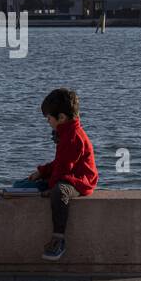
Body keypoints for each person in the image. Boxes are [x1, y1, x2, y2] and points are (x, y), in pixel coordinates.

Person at [25, 88, 98, 262]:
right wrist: (41, 172)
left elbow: (64, 168)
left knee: (59, 191)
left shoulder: (73, 137)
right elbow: (59, 163)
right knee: (30, 184)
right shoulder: (65, 132)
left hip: (81, 180)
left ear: (62, 117)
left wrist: (50, 186)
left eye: (49, 118)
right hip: (68, 174)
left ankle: (59, 239)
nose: (48, 122)